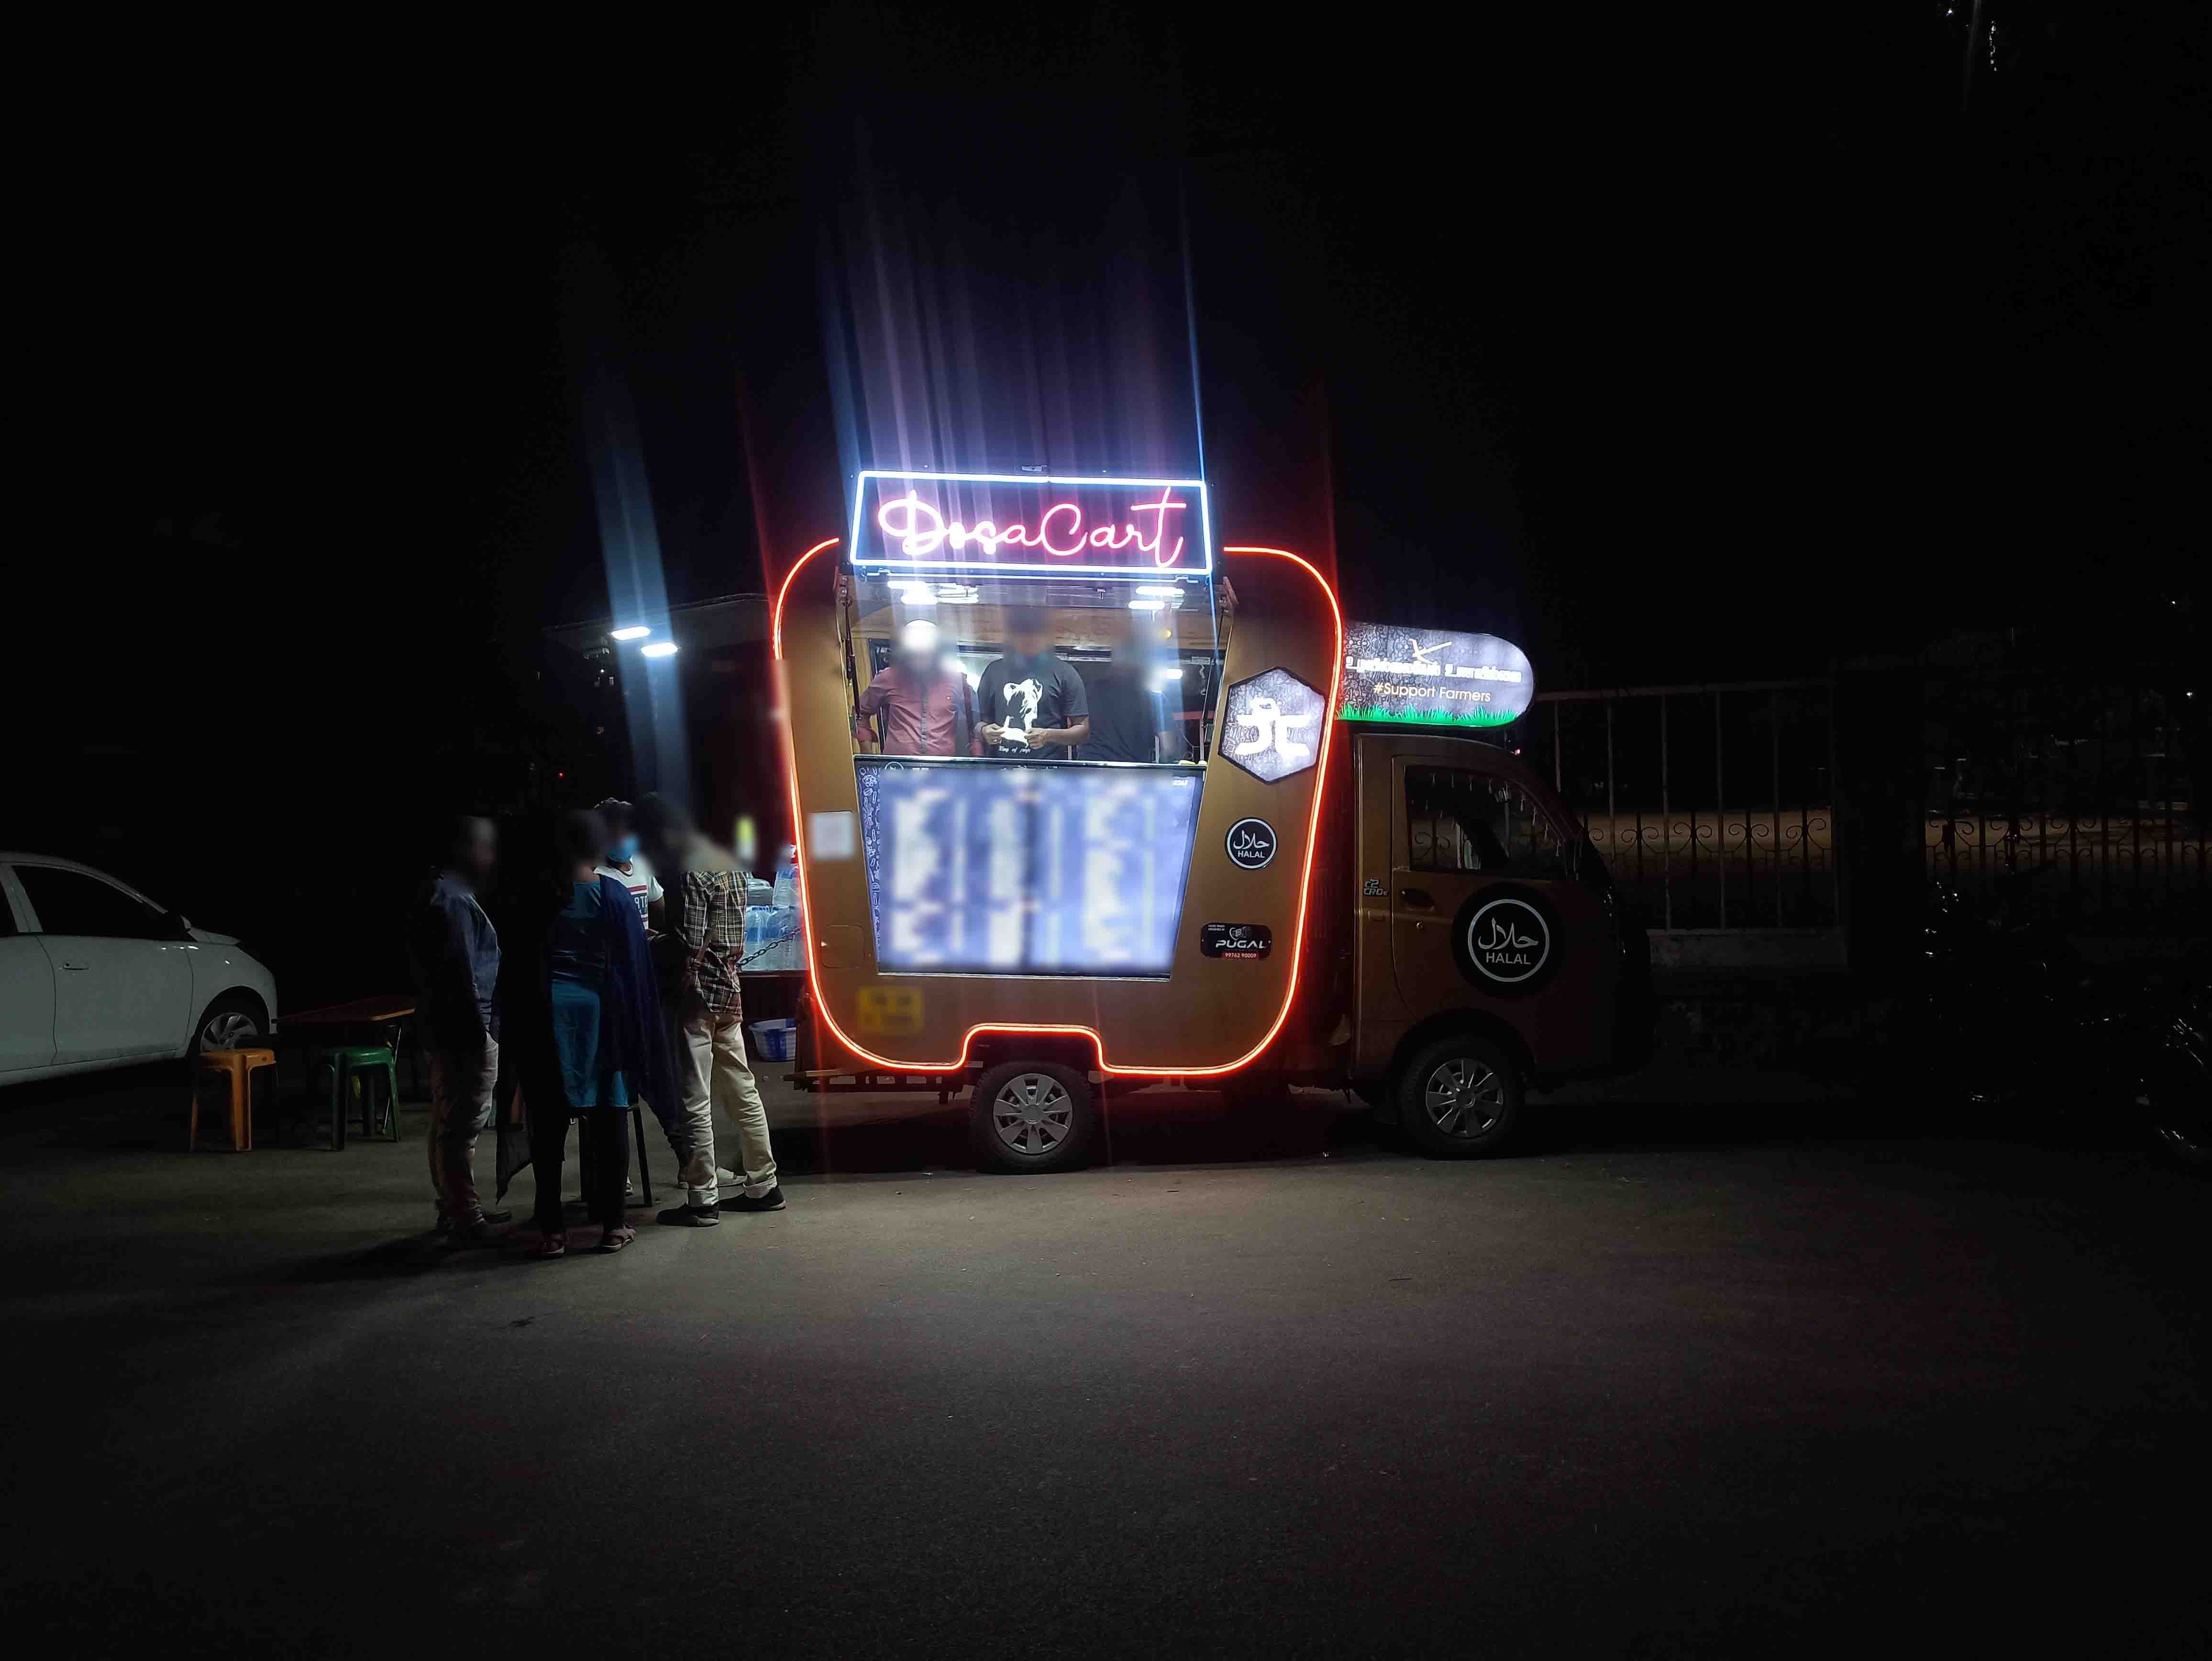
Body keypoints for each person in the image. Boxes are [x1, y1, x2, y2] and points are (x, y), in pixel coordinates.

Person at [500, 809, 678, 1258]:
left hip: (548, 1021)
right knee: (610, 1116)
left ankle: (553, 1232)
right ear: (597, 848)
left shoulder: (538, 899)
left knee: (550, 1128)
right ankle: (614, 1226)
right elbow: (635, 973)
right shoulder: (613, 897)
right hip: (603, 1020)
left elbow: (517, 973)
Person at [637, 795, 785, 1224]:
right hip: (731, 990)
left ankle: (703, 1199)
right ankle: (764, 1184)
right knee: (743, 1089)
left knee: (694, 1097)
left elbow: (689, 943)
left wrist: (650, 942)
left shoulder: (693, 871)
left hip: (699, 996)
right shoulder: (732, 864)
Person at [404, 816, 505, 1244]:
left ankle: (455, 1206)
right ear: (466, 850)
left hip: (449, 1026)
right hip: (465, 1028)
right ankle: (465, 1214)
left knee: (449, 1120)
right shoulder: (454, 901)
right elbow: (463, 976)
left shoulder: (441, 893)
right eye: (486, 848)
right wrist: (480, 1033)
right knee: (462, 1124)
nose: (491, 858)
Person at [976, 604, 1089, 758]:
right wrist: (984, 732)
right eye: (1022, 633)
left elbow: (1083, 731)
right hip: (1000, 772)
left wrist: (1048, 735)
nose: (1028, 639)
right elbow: (979, 724)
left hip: (1048, 772)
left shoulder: (1065, 673)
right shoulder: (993, 671)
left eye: (1034, 632)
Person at [852, 618, 973, 756]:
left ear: (937, 652)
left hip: (942, 771)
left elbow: (975, 723)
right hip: (899, 769)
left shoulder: (957, 680)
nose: (920, 658)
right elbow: (859, 713)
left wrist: (978, 761)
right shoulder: (889, 678)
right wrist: (867, 755)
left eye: (926, 653)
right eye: (915, 653)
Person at [1077, 619, 1183, 764]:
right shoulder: (1156, 699)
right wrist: (1159, 776)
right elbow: (1170, 750)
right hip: (1132, 775)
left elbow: (1077, 732)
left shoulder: (1089, 691)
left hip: (1090, 771)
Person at [592, 798, 664, 929]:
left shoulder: (641, 864)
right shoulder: (597, 876)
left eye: (627, 833)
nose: (621, 840)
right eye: (615, 835)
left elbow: (661, 908)